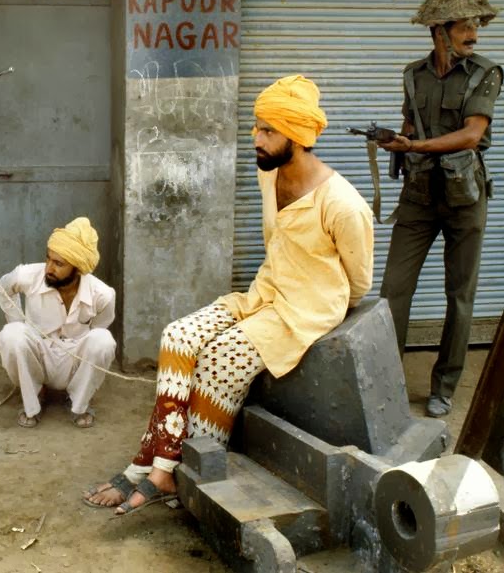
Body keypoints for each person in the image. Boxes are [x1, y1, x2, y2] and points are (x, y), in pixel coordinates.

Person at [84, 75, 373, 515]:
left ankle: (177, 472)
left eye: (268, 130)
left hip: (306, 311)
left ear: (297, 136)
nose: (255, 137)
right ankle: (156, 461)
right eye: (256, 126)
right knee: (178, 337)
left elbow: (359, 283)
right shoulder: (270, 175)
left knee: (219, 360)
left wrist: (317, 306)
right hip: (263, 293)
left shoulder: (343, 203)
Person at [377, 0, 502, 418]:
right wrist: (397, 140)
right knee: (392, 291)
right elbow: (410, 128)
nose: (474, 33)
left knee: (460, 295)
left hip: (465, 197)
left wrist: (414, 148)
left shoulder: (486, 72)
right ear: (438, 29)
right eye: (465, 25)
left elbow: (471, 135)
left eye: (476, 25)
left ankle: (444, 386)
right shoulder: (414, 74)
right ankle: (384, 380)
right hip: (418, 195)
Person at [0, 217, 116, 428]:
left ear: (78, 270)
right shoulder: (28, 275)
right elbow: (3, 288)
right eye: (48, 259)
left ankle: (79, 402)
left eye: (58, 263)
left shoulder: (102, 294)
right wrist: (18, 324)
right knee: (10, 335)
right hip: (38, 352)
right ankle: (34, 397)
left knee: (103, 341)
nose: (48, 268)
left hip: (73, 360)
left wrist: (86, 347)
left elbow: (99, 329)